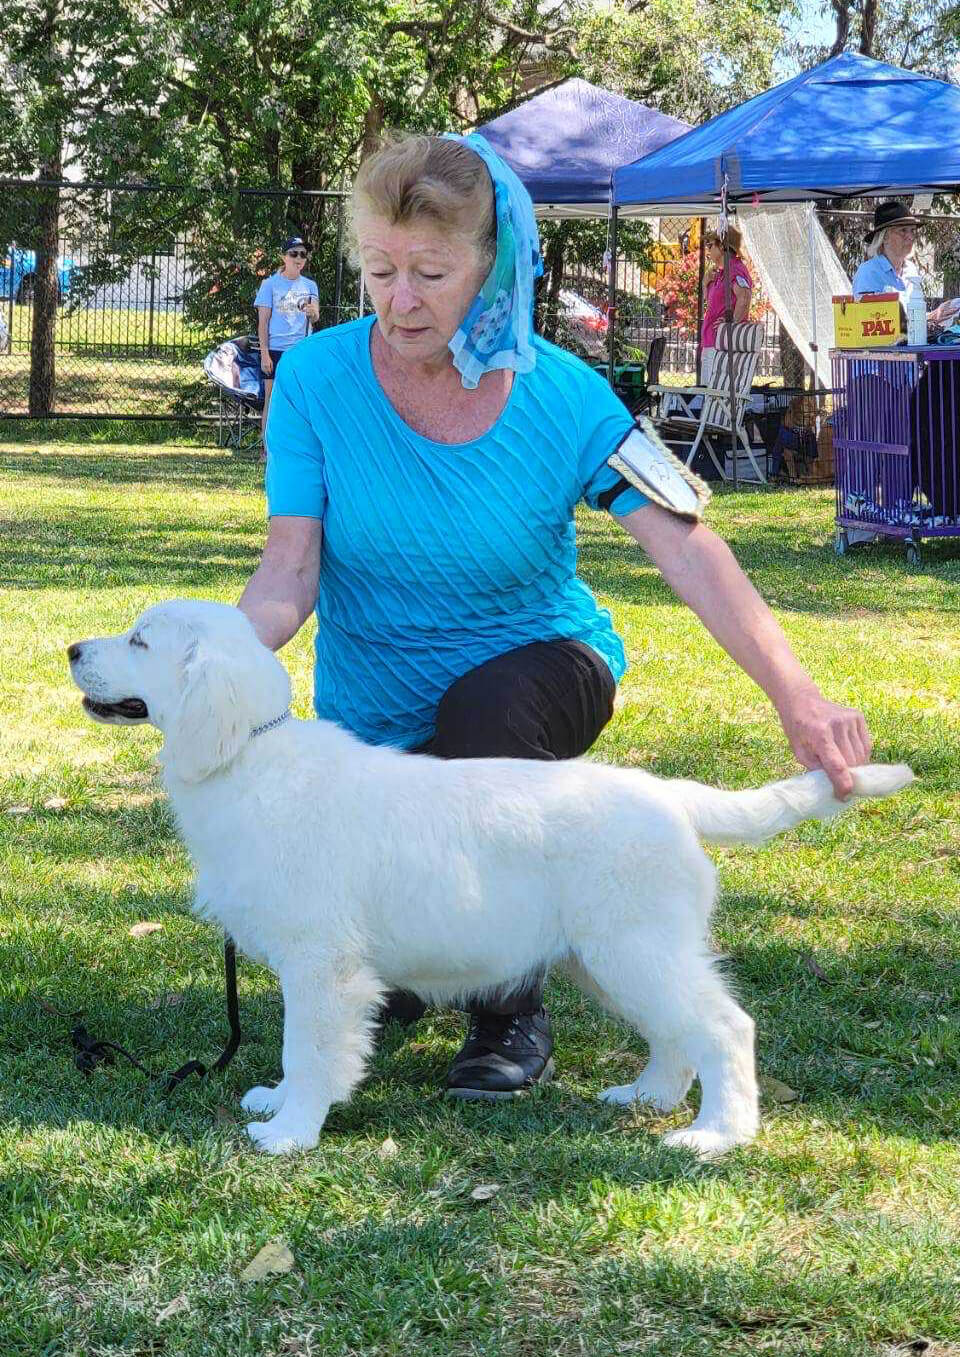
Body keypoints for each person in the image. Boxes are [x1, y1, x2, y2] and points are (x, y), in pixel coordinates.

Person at [237, 132, 873, 1102]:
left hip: (545, 667)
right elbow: (288, 570)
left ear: (493, 267)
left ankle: (510, 1007)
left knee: (481, 721)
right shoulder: (318, 382)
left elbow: (689, 546)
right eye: (378, 270)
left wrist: (799, 697)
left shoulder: (564, 395)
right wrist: (214, 668)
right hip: (376, 717)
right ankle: (419, 964)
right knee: (368, 896)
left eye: (430, 273)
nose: (400, 299)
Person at [254, 237, 321, 456]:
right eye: (294, 254)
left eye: (303, 254)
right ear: (284, 257)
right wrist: (265, 354)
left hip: (300, 350)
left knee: (300, 399)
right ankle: (267, 448)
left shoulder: (310, 286)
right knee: (272, 400)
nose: (299, 258)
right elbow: (263, 322)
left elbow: (315, 317)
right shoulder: (270, 284)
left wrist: (313, 314)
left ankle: (297, 448)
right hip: (275, 349)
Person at [852, 201, 958, 326]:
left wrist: (937, 314)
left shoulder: (911, 269)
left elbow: (911, 316)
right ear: (884, 237)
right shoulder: (869, 272)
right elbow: (870, 322)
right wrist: (929, 318)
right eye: (903, 231)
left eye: (913, 231)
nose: (910, 236)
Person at [699, 225, 752, 387]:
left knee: (712, 393)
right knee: (709, 392)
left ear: (721, 246)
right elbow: (711, 305)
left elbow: (744, 296)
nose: (708, 250)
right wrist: (705, 283)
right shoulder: (722, 272)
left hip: (720, 345)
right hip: (712, 342)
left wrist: (731, 323)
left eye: (710, 245)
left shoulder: (735, 269)